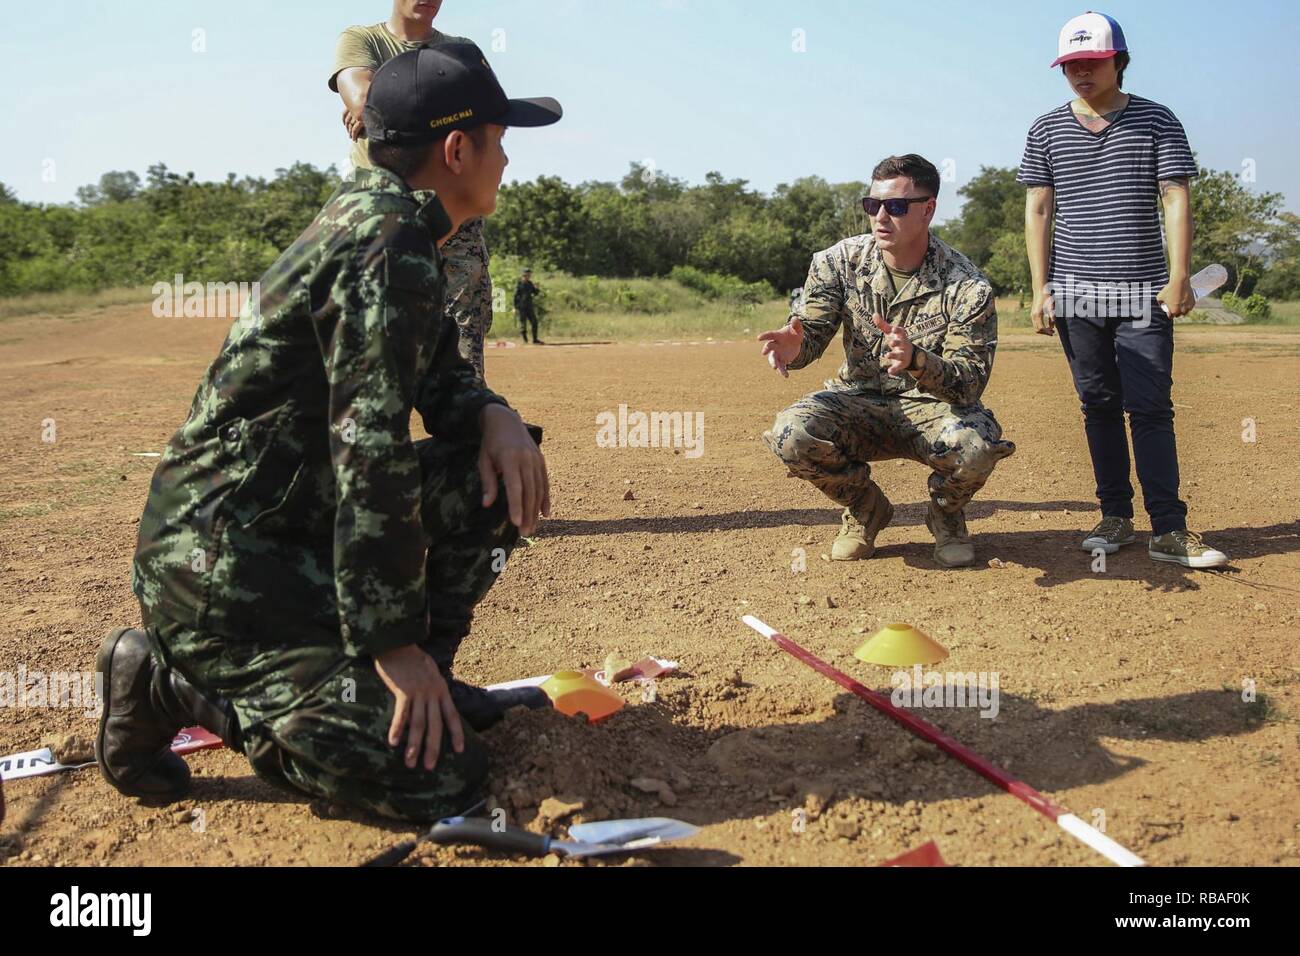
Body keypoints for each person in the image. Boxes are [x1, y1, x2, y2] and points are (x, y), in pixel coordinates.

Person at [98, 42, 563, 822]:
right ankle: (169, 681)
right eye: (498, 138)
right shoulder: (385, 248)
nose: (508, 159)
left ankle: (424, 688)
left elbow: (440, 376)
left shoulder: (393, 227)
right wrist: (391, 643)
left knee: (492, 476)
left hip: (288, 530)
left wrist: (496, 416)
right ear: (457, 151)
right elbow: (368, 449)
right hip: (225, 574)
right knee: (440, 782)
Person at [1019, 11, 1227, 568]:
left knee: (1151, 407)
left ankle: (1169, 529)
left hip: (1143, 293)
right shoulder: (1045, 129)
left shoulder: (1157, 121)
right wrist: (1041, 288)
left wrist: (1179, 276)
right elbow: (1039, 208)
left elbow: (1175, 197)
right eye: (1071, 65)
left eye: (1092, 62)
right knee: (1098, 406)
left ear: (1119, 60)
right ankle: (1114, 516)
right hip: (1074, 295)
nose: (1081, 73)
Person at [759, 155, 1014, 568]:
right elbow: (812, 330)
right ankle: (865, 508)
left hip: (931, 408)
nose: (880, 216)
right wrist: (795, 342)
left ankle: (946, 514)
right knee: (791, 432)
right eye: (872, 204)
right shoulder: (837, 262)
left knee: (976, 445)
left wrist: (917, 360)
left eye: (896, 206)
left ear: (928, 209)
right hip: (857, 401)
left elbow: (969, 385)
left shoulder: (967, 285)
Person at [331, 1, 495, 384]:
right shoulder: (361, 40)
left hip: (454, 214)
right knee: (377, 331)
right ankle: (376, 435)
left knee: (464, 341)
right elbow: (363, 103)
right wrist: (447, 110)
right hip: (386, 213)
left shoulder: (462, 51)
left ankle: (465, 431)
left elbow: (483, 122)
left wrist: (385, 104)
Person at [514, 268, 542, 344]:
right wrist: (515, 307)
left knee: (534, 322)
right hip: (521, 307)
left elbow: (535, 293)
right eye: (527, 274)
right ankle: (525, 340)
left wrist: (537, 288)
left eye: (529, 274)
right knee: (523, 324)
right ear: (524, 274)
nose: (529, 275)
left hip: (529, 306)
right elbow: (516, 296)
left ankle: (535, 339)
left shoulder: (530, 283)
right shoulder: (519, 284)